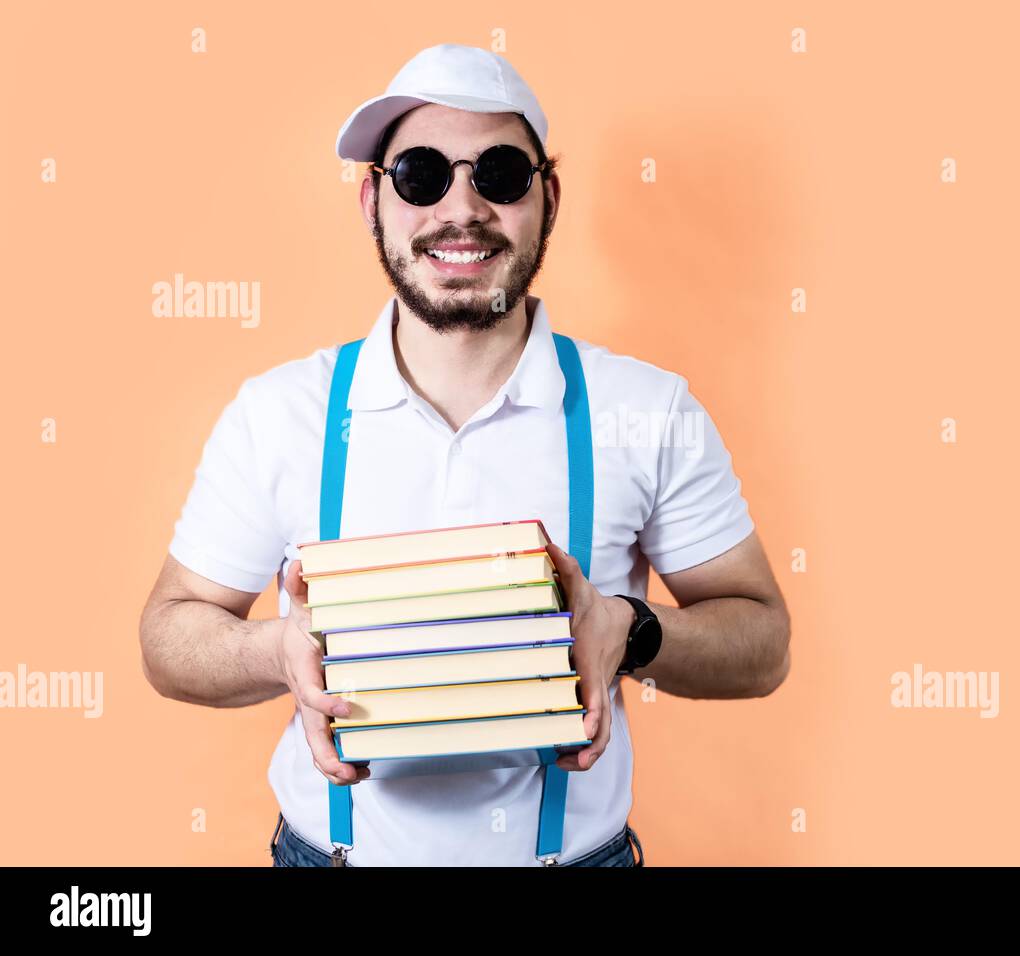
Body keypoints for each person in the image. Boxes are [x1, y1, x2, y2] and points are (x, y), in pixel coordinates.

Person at [138, 43, 791, 866]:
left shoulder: (648, 410)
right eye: (420, 173)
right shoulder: (278, 413)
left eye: (500, 174)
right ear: (374, 199)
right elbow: (168, 634)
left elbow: (763, 643)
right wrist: (275, 651)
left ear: (547, 197)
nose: (462, 206)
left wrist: (630, 630)